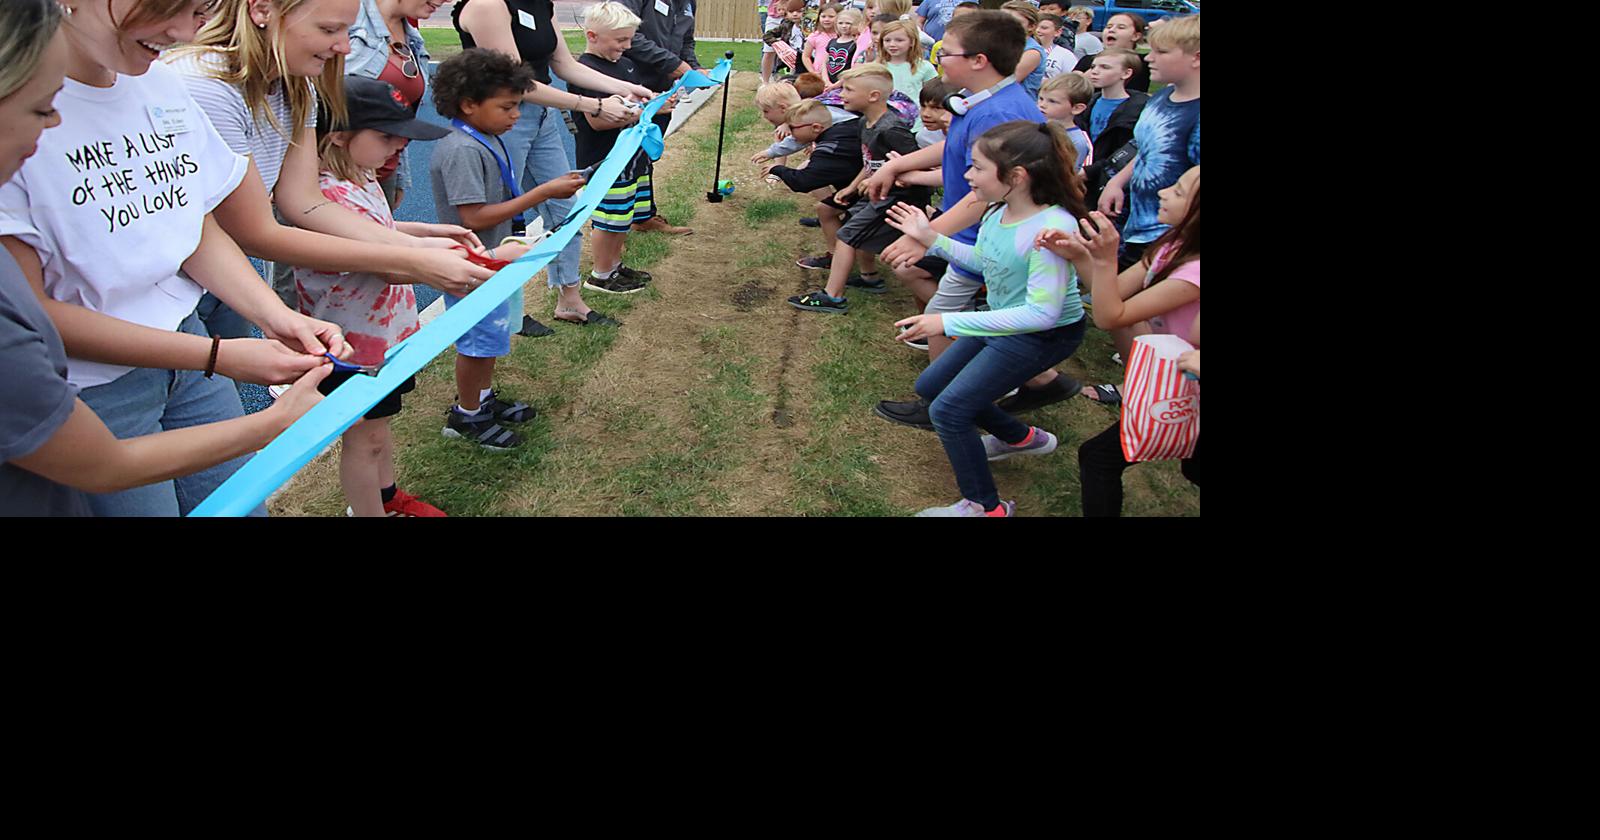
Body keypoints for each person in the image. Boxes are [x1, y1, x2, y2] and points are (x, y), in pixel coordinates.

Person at [0, 0, 358, 517]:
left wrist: (275, 318)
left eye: (201, 8)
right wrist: (220, 358)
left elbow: (194, 224)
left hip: (187, 353)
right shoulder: (18, 120)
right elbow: (34, 319)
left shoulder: (158, 83)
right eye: (170, 5)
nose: (187, 29)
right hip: (94, 389)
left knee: (241, 503)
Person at [168, 0, 492, 344]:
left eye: (347, 30)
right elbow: (256, 232)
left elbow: (305, 202)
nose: (345, 46)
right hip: (168, 282)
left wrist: (415, 247)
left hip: (214, 275)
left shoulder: (297, 85)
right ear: (262, 10)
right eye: (328, 30)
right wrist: (412, 257)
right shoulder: (208, 87)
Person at [882, 120, 1088, 518]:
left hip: (1042, 334)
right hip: (1008, 320)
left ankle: (984, 507)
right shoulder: (1000, 211)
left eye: (976, 167)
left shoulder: (1051, 229)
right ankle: (1021, 438)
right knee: (932, 385)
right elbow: (986, 261)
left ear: (1016, 176)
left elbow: (1043, 314)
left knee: (949, 411)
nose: (966, 175)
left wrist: (948, 322)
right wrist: (932, 240)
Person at [864, 9, 1043, 430]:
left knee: (948, 314)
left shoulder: (1001, 114)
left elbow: (987, 194)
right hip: (969, 230)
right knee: (973, 316)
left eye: (947, 51)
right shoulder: (978, 102)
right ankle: (1042, 379)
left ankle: (942, 402)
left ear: (979, 60)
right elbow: (953, 150)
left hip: (986, 234)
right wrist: (896, 165)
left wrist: (925, 235)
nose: (939, 57)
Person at [294, 76, 450, 515]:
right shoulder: (325, 195)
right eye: (385, 136)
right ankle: (367, 511)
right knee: (364, 436)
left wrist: (436, 231)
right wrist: (477, 259)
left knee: (380, 428)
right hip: (350, 344)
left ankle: (386, 495)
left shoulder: (361, 177)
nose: (399, 146)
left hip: (385, 337)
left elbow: (383, 232)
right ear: (339, 136)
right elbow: (383, 261)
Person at [453, 0, 655, 335]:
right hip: (500, 119)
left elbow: (564, 64)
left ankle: (570, 300)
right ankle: (503, 310)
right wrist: (594, 104)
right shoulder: (488, 5)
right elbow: (515, 82)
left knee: (565, 206)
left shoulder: (541, 4)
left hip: (540, 116)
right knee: (499, 218)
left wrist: (624, 88)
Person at [429, 48, 588, 450]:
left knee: (493, 335)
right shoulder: (462, 150)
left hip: (495, 258)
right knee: (477, 342)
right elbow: (474, 217)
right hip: (471, 264)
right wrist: (542, 192)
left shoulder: (487, 137)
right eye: (507, 107)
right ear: (468, 105)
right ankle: (465, 415)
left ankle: (481, 399)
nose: (516, 115)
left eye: (518, 105)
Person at [1036, 168, 1199, 514]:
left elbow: (1110, 315)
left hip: (1189, 393)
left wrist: (1106, 259)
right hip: (1183, 391)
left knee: (1099, 457)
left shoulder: (1193, 274)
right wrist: (1082, 256)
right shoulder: (1174, 246)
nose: (1163, 191)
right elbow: (1112, 295)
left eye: (1180, 192)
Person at [788, 65, 928, 312]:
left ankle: (833, 296)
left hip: (896, 198)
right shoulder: (865, 122)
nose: (841, 94)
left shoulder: (891, 129)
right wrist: (852, 187)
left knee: (847, 235)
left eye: (848, 90)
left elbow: (917, 164)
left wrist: (894, 179)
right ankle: (869, 279)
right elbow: (870, 161)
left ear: (873, 96)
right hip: (875, 192)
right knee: (855, 227)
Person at [570, 3, 680, 293]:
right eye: (620, 40)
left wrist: (656, 100)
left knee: (623, 217)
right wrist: (652, 110)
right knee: (608, 221)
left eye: (630, 39)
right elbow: (597, 123)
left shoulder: (625, 64)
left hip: (631, 158)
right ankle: (601, 275)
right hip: (605, 160)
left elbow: (633, 100)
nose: (627, 46)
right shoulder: (586, 70)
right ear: (593, 36)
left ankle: (615, 266)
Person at [1098, 14, 1197, 275]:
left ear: (1196, 57)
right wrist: (1117, 181)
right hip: (1138, 222)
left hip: (1174, 235)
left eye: (1161, 51)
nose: (1149, 58)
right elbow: (1146, 149)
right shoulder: (1162, 96)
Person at [616, 0, 698, 235]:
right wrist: (677, 65)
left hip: (662, 90)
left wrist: (693, 67)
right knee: (624, 160)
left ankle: (643, 217)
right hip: (629, 84)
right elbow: (628, 38)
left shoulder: (688, 2)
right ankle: (614, 223)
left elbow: (686, 40)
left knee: (646, 157)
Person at [344, 0, 435, 212]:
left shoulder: (411, 37)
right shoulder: (347, 24)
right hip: (339, 174)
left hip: (382, 172)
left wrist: (399, 172)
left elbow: (398, 115)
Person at [1073, 47, 1147, 211]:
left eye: (1105, 67)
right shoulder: (1087, 104)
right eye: (1093, 67)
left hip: (1109, 183)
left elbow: (1126, 152)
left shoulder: (1136, 111)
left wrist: (1089, 171)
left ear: (1126, 73)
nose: (1095, 72)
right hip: (1079, 180)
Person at [874, 17, 937, 129]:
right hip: (884, 123)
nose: (892, 44)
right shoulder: (879, 67)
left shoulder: (925, 67)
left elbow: (934, 94)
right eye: (887, 40)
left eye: (899, 40)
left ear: (912, 41)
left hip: (915, 124)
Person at [1073, 11, 1147, 92]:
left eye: (1121, 27)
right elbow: (1070, 86)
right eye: (1108, 27)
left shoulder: (1144, 62)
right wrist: (1082, 79)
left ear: (1136, 36)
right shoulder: (1088, 59)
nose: (1111, 30)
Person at [1037, 72, 1092, 172]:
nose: (1042, 105)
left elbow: (1067, 176)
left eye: (1052, 101)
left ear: (1077, 108)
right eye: (1041, 99)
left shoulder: (1077, 141)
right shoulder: (1036, 126)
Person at [1000, 1, 1045, 100]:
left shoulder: (1032, 52)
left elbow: (1004, 83)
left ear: (1031, 26)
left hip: (1016, 108)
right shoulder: (1000, 44)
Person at [763, 0, 807, 80]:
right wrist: (779, 44)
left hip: (805, 58)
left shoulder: (808, 28)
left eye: (799, 11)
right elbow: (767, 35)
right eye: (791, 11)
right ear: (786, 14)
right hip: (792, 58)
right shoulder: (786, 25)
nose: (795, 14)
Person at [803, 3, 842, 81]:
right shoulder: (815, 36)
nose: (826, 19)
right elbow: (806, 56)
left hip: (838, 74)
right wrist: (812, 71)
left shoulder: (842, 36)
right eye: (823, 16)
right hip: (819, 75)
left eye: (831, 16)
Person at [916, 78, 951, 149]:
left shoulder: (974, 137)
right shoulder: (924, 137)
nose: (925, 114)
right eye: (923, 106)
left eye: (936, 108)